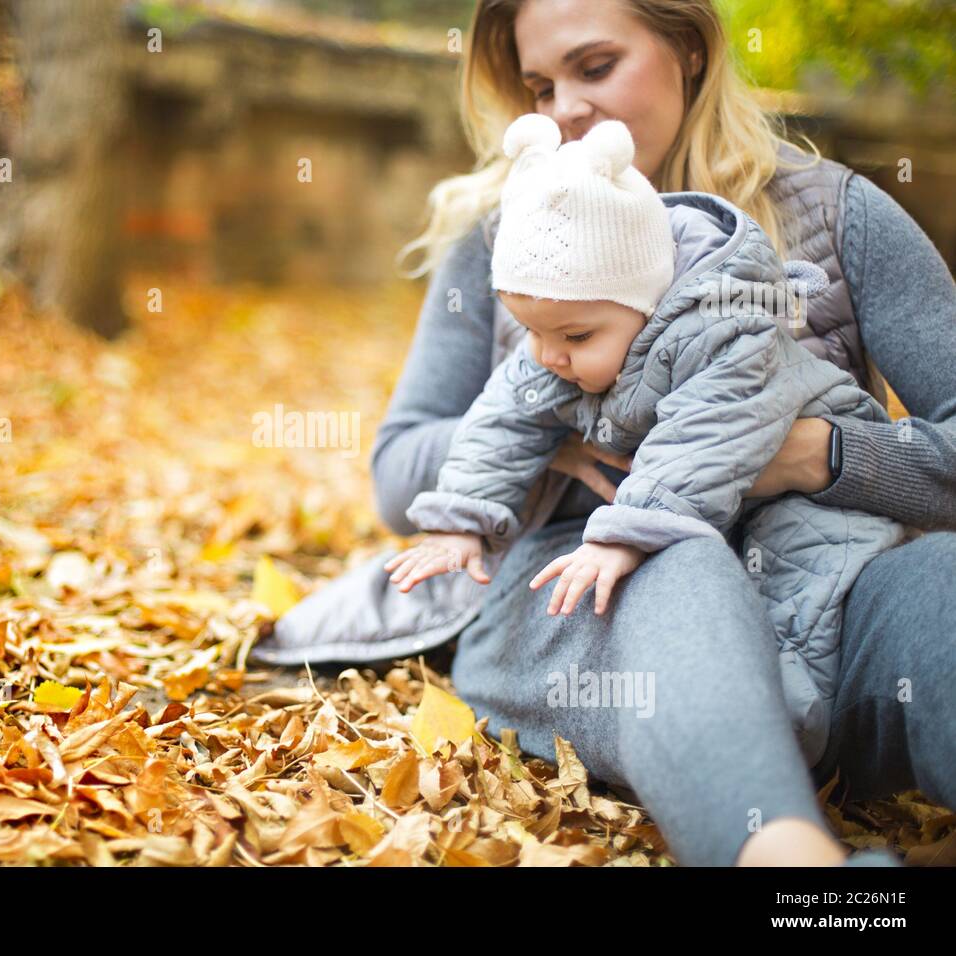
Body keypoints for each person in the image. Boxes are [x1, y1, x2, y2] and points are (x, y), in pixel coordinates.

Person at [252, 0, 956, 867]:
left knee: (944, 585)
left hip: (830, 589)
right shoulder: (506, 234)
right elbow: (400, 467)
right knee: (673, 559)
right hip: (586, 610)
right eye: (540, 85)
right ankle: (791, 872)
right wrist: (555, 433)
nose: (565, 109)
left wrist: (818, 456)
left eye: (595, 68)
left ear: (690, 50)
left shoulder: (838, 215)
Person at [384, 111, 910, 775]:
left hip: (809, 496)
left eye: (575, 338)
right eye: (530, 332)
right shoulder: (563, 331)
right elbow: (501, 416)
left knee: (798, 587)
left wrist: (622, 533)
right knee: (703, 594)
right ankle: (735, 742)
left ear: (648, 301)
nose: (547, 356)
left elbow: (703, 436)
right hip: (712, 508)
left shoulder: (723, 329)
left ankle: (791, 729)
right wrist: (465, 518)